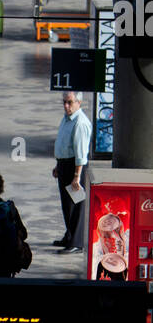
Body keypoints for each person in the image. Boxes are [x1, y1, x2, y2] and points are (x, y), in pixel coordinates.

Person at [52, 90, 92, 253]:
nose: (66, 106)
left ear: (79, 103)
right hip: (64, 164)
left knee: (75, 204)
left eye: (70, 102)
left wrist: (77, 176)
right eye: (65, 102)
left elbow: (81, 153)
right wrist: (58, 165)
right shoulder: (66, 119)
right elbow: (63, 143)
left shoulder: (80, 122)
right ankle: (69, 235)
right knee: (66, 204)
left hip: (75, 167)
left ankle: (76, 241)